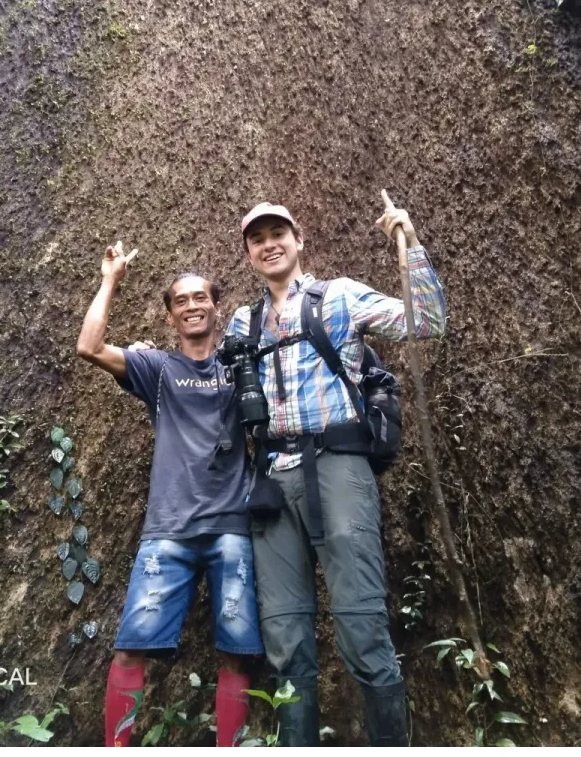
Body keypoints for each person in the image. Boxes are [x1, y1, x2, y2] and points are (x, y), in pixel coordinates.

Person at [222, 200, 447, 746]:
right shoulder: (242, 322)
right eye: (258, 238)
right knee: (284, 635)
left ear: (299, 239)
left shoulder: (340, 296)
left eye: (279, 233)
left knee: (362, 625)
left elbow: (428, 323)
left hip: (339, 469)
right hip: (272, 478)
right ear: (249, 253)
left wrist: (410, 245)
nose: (269, 244)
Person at [76, 241, 265, 747]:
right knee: (129, 649)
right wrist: (110, 278)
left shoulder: (241, 366)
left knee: (236, 653)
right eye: (180, 300)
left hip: (231, 526)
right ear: (169, 317)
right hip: (169, 530)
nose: (192, 305)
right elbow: (89, 347)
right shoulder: (157, 369)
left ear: (215, 306)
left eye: (200, 297)